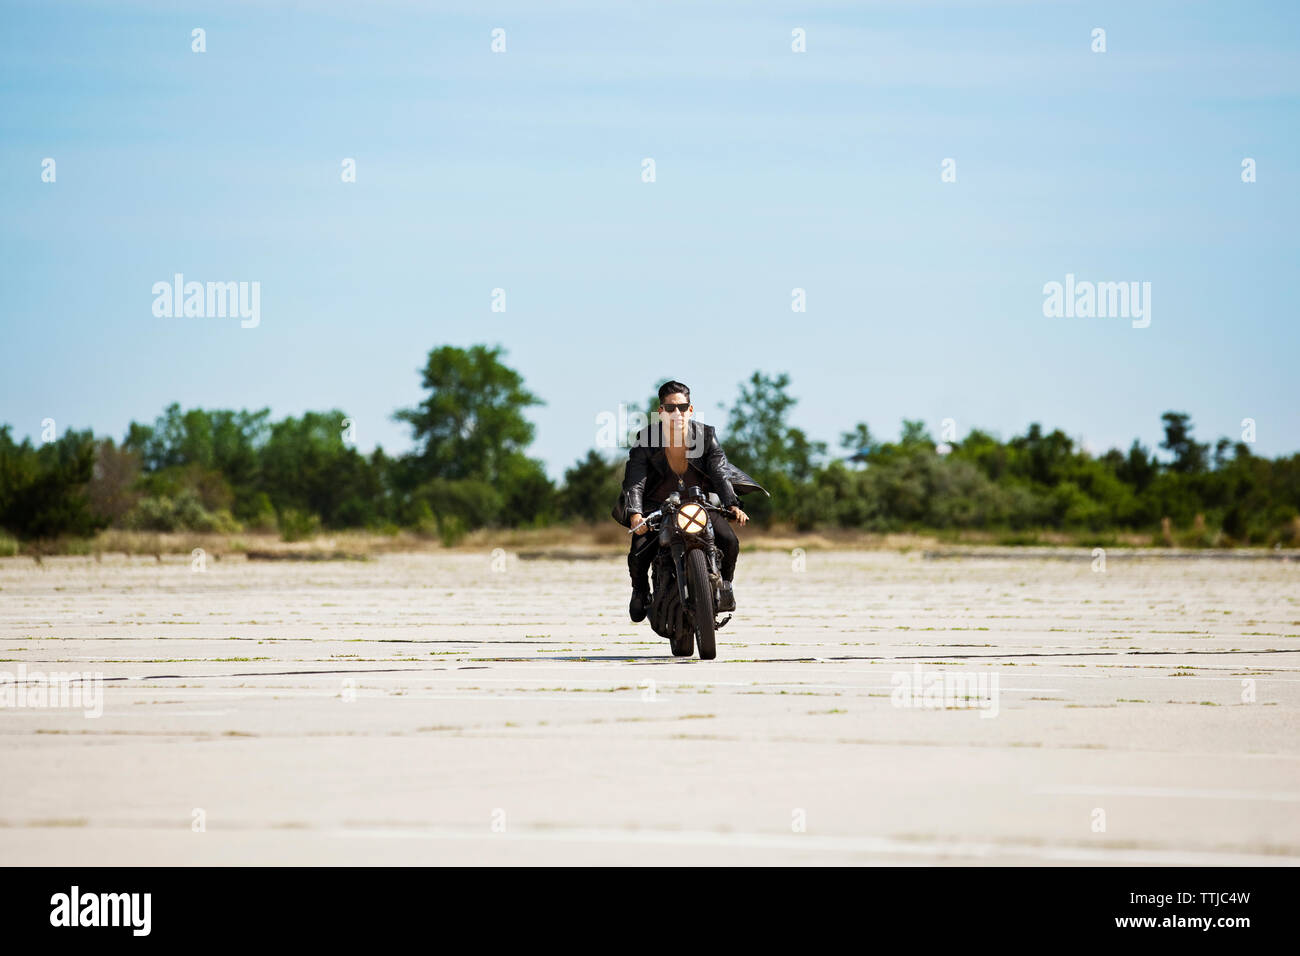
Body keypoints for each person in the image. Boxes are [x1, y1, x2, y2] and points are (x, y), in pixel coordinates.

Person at [616, 380, 749, 623]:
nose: (676, 413)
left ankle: (724, 586)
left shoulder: (706, 435)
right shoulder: (646, 438)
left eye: (682, 407)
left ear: (690, 409)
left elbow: (720, 471)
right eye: (669, 408)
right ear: (660, 412)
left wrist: (732, 504)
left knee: (729, 540)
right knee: (639, 550)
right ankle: (640, 590)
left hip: (698, 506)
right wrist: (636, 513)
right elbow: (635, 479)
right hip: (657, 506)